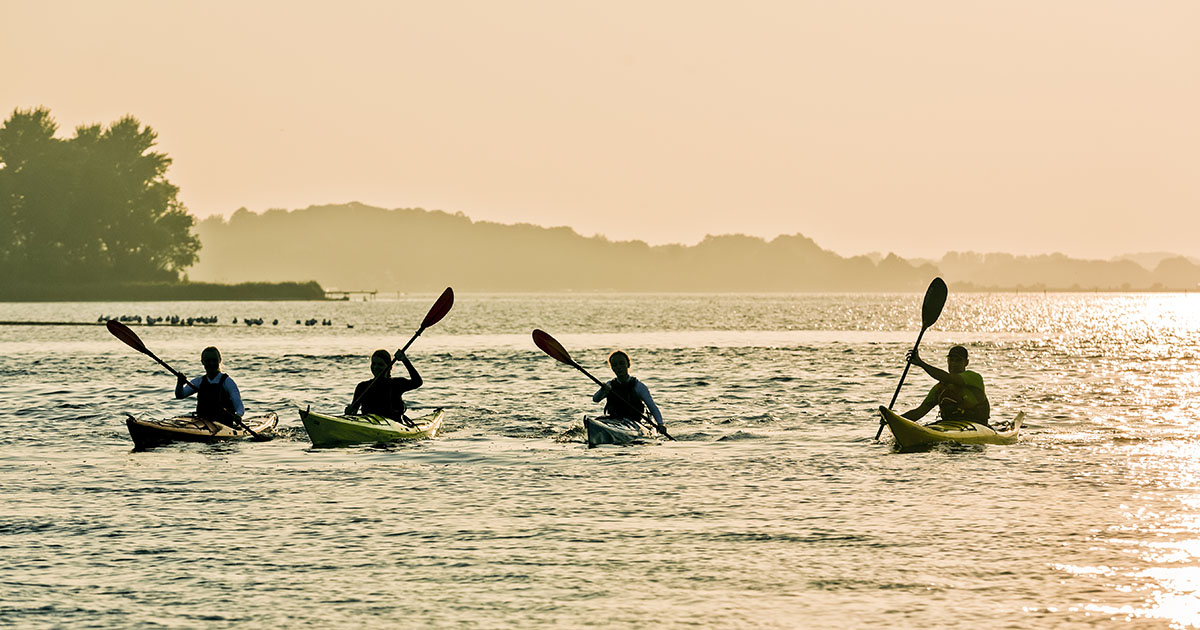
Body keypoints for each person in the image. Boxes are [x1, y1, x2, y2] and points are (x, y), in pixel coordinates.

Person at [901, 345, 990, 424]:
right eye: (951, 360)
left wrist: (921, 364)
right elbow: (919, 412)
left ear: (966, 363)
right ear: (948, 361)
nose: (954, 364)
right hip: (950, 425)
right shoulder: (940, 388)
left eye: (958, 360)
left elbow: (948, 378)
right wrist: (891, 419)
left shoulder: (973, 377)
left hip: (977, 423)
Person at [592, 350, 666, 433]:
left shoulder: (638, 386)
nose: (619, 367)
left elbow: (652, 407)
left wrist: (660, 424)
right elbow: (595, 399)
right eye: (615, 365)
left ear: (628, 364)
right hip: (614, 420)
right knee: (597, 420)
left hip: (633, 423)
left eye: (621, 363)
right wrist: (603, 390)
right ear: (612, 368)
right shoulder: (609, 385)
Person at [175, 346, 244, 427]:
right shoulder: (198, 382)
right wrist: (179, 384)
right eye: (208, 361)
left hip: (223, 424)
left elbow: (239, 404)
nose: (211, 364)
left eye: (214, 360)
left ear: (220, 360)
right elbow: (180, 395)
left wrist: (238, 415)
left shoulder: (227, 382)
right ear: (202, 362)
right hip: (202, 422)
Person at [344, 349, 422, 420]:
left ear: (389, 367)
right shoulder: (362, 386)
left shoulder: (396, 383)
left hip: (393, 424)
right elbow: (353, 413)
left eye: (380, 364)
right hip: (369, 423)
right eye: (373, 364)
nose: (375, 367)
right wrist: (349, 412)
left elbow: (417, 382)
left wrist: (405, 360)